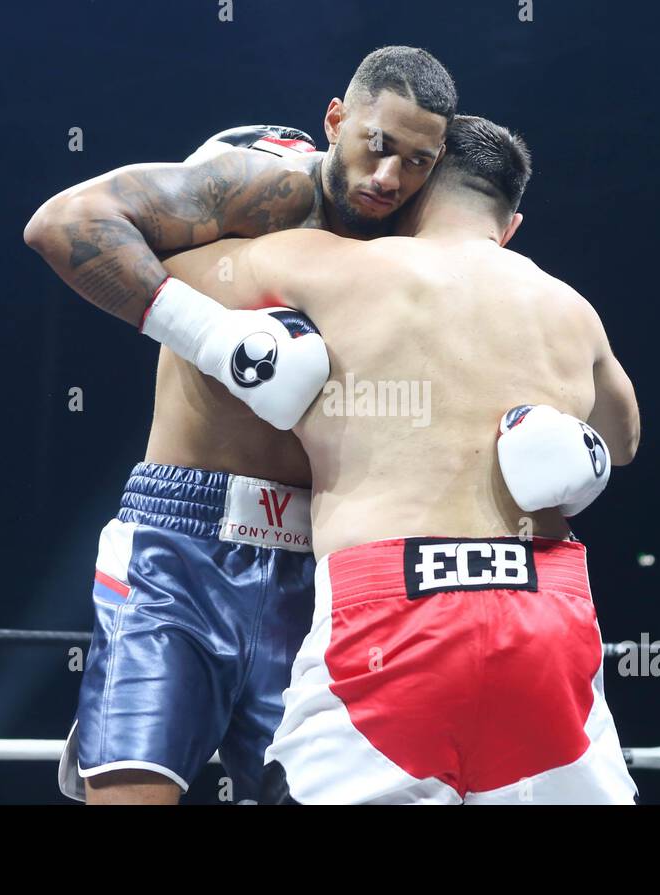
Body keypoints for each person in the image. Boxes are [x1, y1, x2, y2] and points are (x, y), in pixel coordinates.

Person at [151, 115, 641, 803]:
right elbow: (623, 442)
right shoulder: (570, 307)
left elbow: (149, 253)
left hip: (389, 613)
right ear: (511, 224)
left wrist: (221, 328)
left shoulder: (328, 265)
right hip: (546, 611)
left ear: (412, 191)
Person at [23, 46, 458, 804]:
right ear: (336, 120)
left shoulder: (414, 251)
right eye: (377, 145)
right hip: (179, 548)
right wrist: (219, 341)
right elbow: (65, 223)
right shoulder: (264, 190)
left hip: (323, 564)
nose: (390, 177)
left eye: (417, 161)